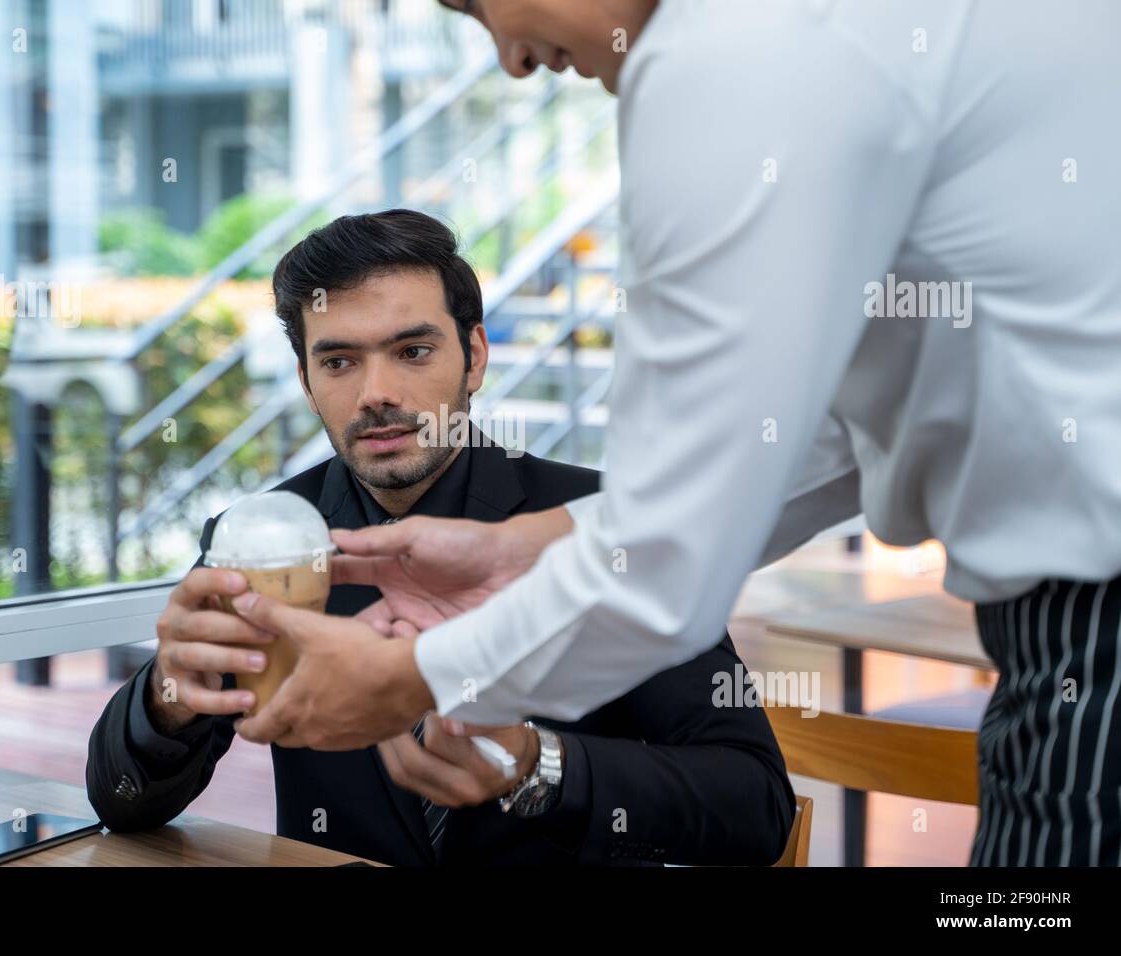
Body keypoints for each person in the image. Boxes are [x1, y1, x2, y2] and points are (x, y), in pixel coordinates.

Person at [233, 0, 1121, 868]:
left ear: (475, 354)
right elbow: (829, 441)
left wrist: (418, 674)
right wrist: (527, 549)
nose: (507, 55)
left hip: (1092, 623)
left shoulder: (720, 57)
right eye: (339, 360)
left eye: (473, 7)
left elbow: (672, 571)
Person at [85, 210, 796, 866]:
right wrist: (169, 695)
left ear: (475, 356)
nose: (376, 393)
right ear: (305, 380)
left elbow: (757, 806)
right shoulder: (262, 538)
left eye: (414, 351)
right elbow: (120, 803)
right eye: (339, 362)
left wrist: (539, 765)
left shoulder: (603, 520)